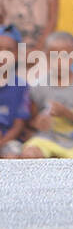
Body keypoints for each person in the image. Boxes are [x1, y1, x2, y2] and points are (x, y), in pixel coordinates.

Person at [20, 31, 73, 159]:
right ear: (46, 56)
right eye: (53, 56)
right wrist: (37, 122)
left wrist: (66, 113)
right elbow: (31, 120)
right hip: (46, 139)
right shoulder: (38, 85)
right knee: (29, 154)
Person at [0, 27, 31, 157]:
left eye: (9, 50)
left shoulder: (21, 87)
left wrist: (2, 143)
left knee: (12, 156)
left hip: (8, 140)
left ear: (17, 54)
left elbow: (19, 126)